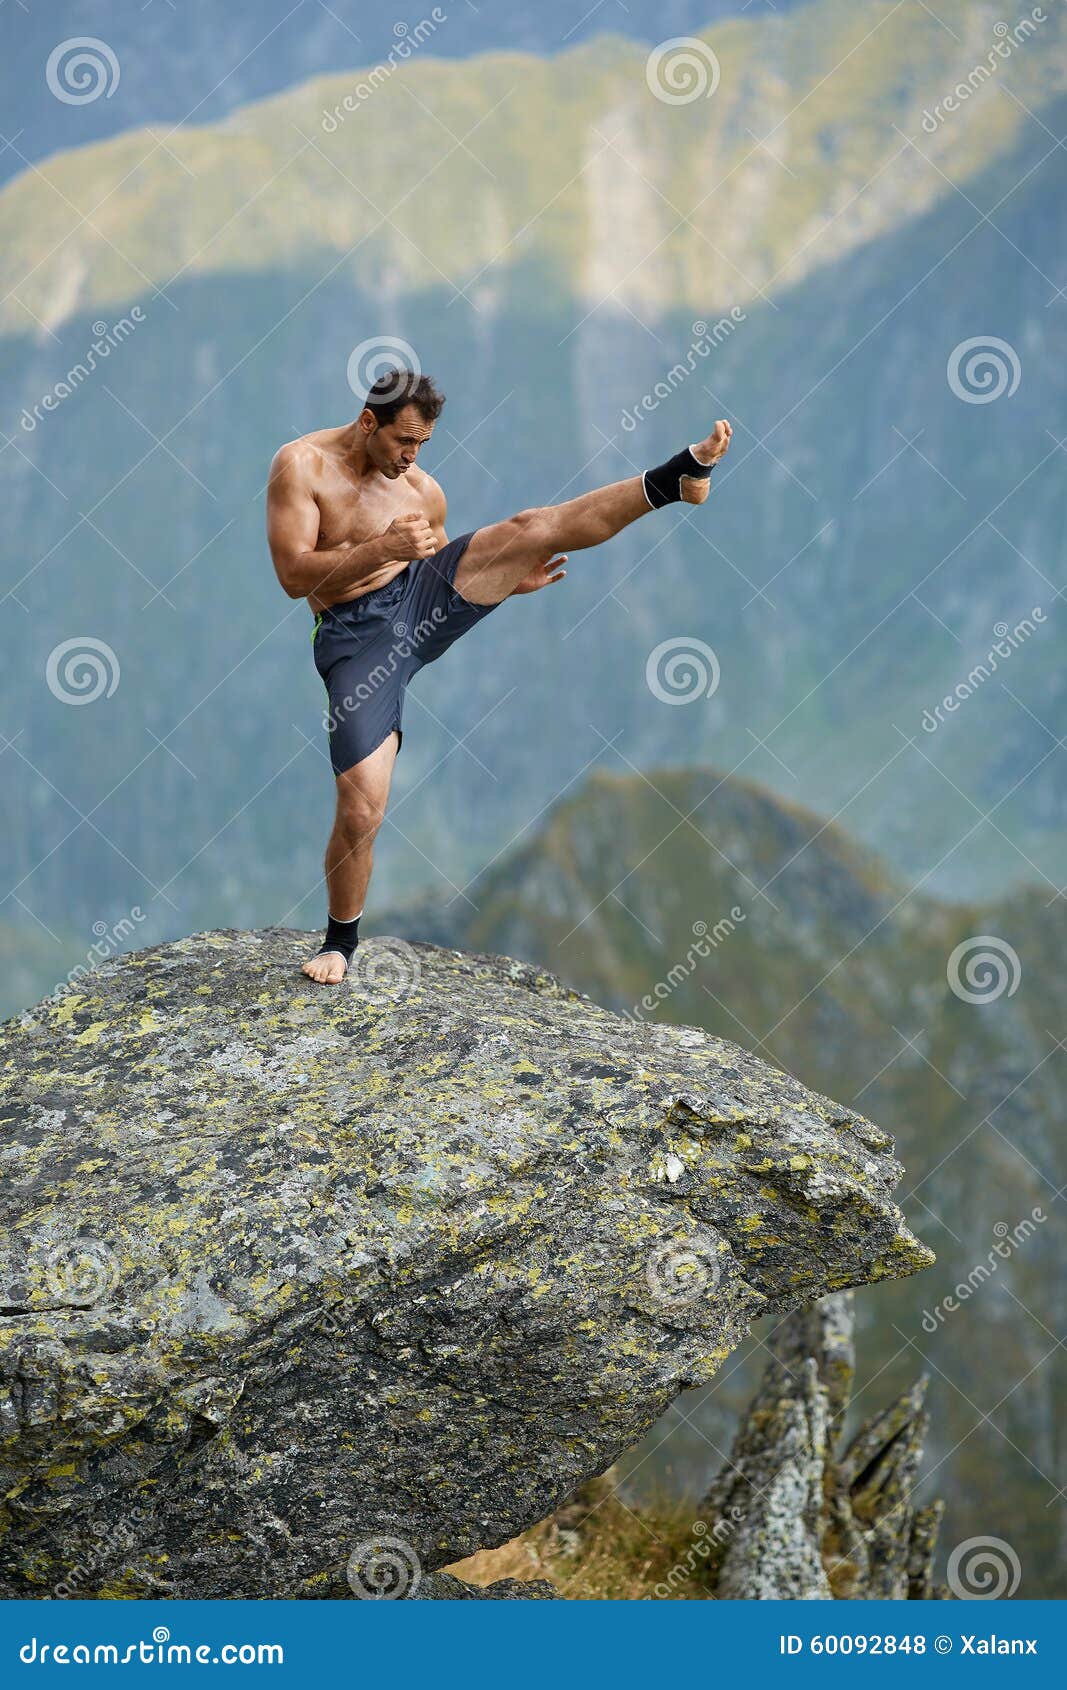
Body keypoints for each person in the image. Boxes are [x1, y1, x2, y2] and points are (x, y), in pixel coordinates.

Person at [266, 367, 731, 983]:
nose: (411, 456)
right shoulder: (300, 467)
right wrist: (382, 549)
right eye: (403, 439)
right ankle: (340, 944)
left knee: (529, 529)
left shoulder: (423, 496)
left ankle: (674, 477)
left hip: (418, 598)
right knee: (361, 808)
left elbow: (437, 569)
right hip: (355, 639)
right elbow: (293, 577)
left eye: (424, 443)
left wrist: (504, 581)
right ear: (368, 421)